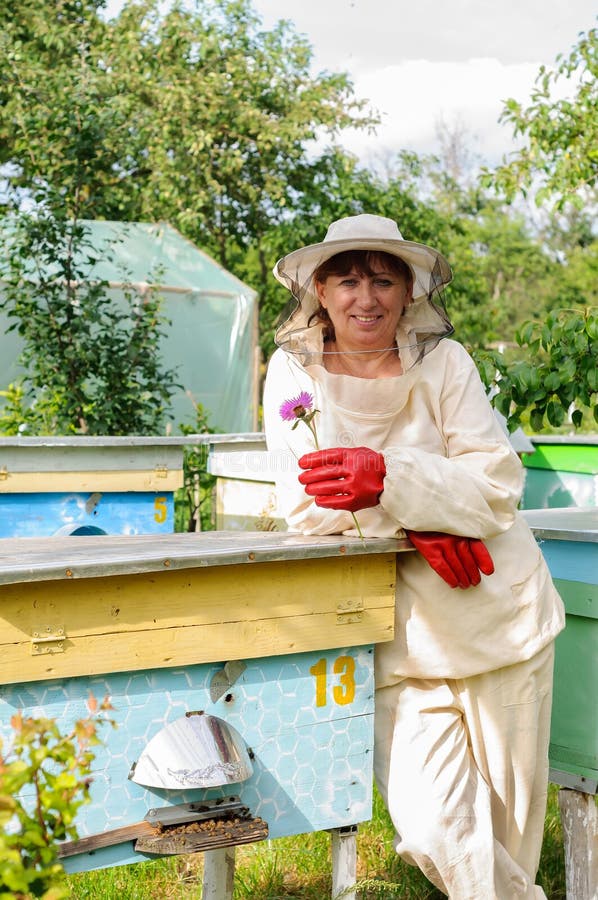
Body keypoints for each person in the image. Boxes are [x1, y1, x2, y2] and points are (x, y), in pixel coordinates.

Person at [262, 213, 565, 899]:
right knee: (435, 831)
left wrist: (388, 481)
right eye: (348, 280)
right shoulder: (292, 372)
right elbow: (306, 506)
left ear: (408, 292)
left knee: (508, 836)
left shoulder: (446, 363)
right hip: (398, 637)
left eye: (383, 280)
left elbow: (496, 485)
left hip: (501, 617)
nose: (365, 298)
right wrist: (421, 516)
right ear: (319, 290)